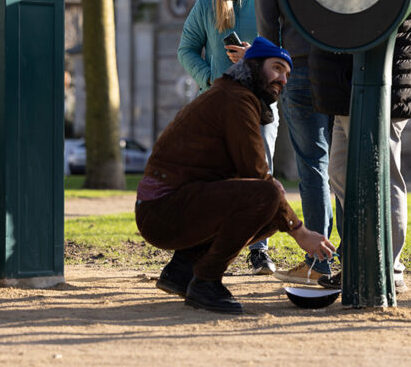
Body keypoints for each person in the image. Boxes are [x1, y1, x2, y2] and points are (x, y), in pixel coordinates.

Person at [136, 38, 335, 314]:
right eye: (277, 68)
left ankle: (182, 270)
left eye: (287, 74)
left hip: (167, 208)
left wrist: (286, 218)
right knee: (267, 196)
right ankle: (206, 281)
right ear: (253, 66)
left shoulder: (235, 95)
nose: (283, 79)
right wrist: (299, 231)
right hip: (161, 212)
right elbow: (258, 176)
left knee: (270, 203)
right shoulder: (236, 100)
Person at [310, 0, 411, 292]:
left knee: (385, 178)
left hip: (379, 89)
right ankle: (360, 258)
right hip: (347, 90)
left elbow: (372, 27)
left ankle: (390, 266)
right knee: (339, 171)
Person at [176, 0, 279, 275]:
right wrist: (207, 77)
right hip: (216, 103)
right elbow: (186, 50)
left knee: (259, 172)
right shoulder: (205, 7)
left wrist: (254, 54)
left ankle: (258, 250)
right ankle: (205, 250)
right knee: (214, 177)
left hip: (259, 104)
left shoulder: (265, 4)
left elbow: (282, 51)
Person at [255, 0, 335, 284]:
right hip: (340, 66)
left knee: (313, 165)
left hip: (298, 67)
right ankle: (350, 256)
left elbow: (267, 26)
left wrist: (274, 71)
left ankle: (319, 263)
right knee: (343, 166)